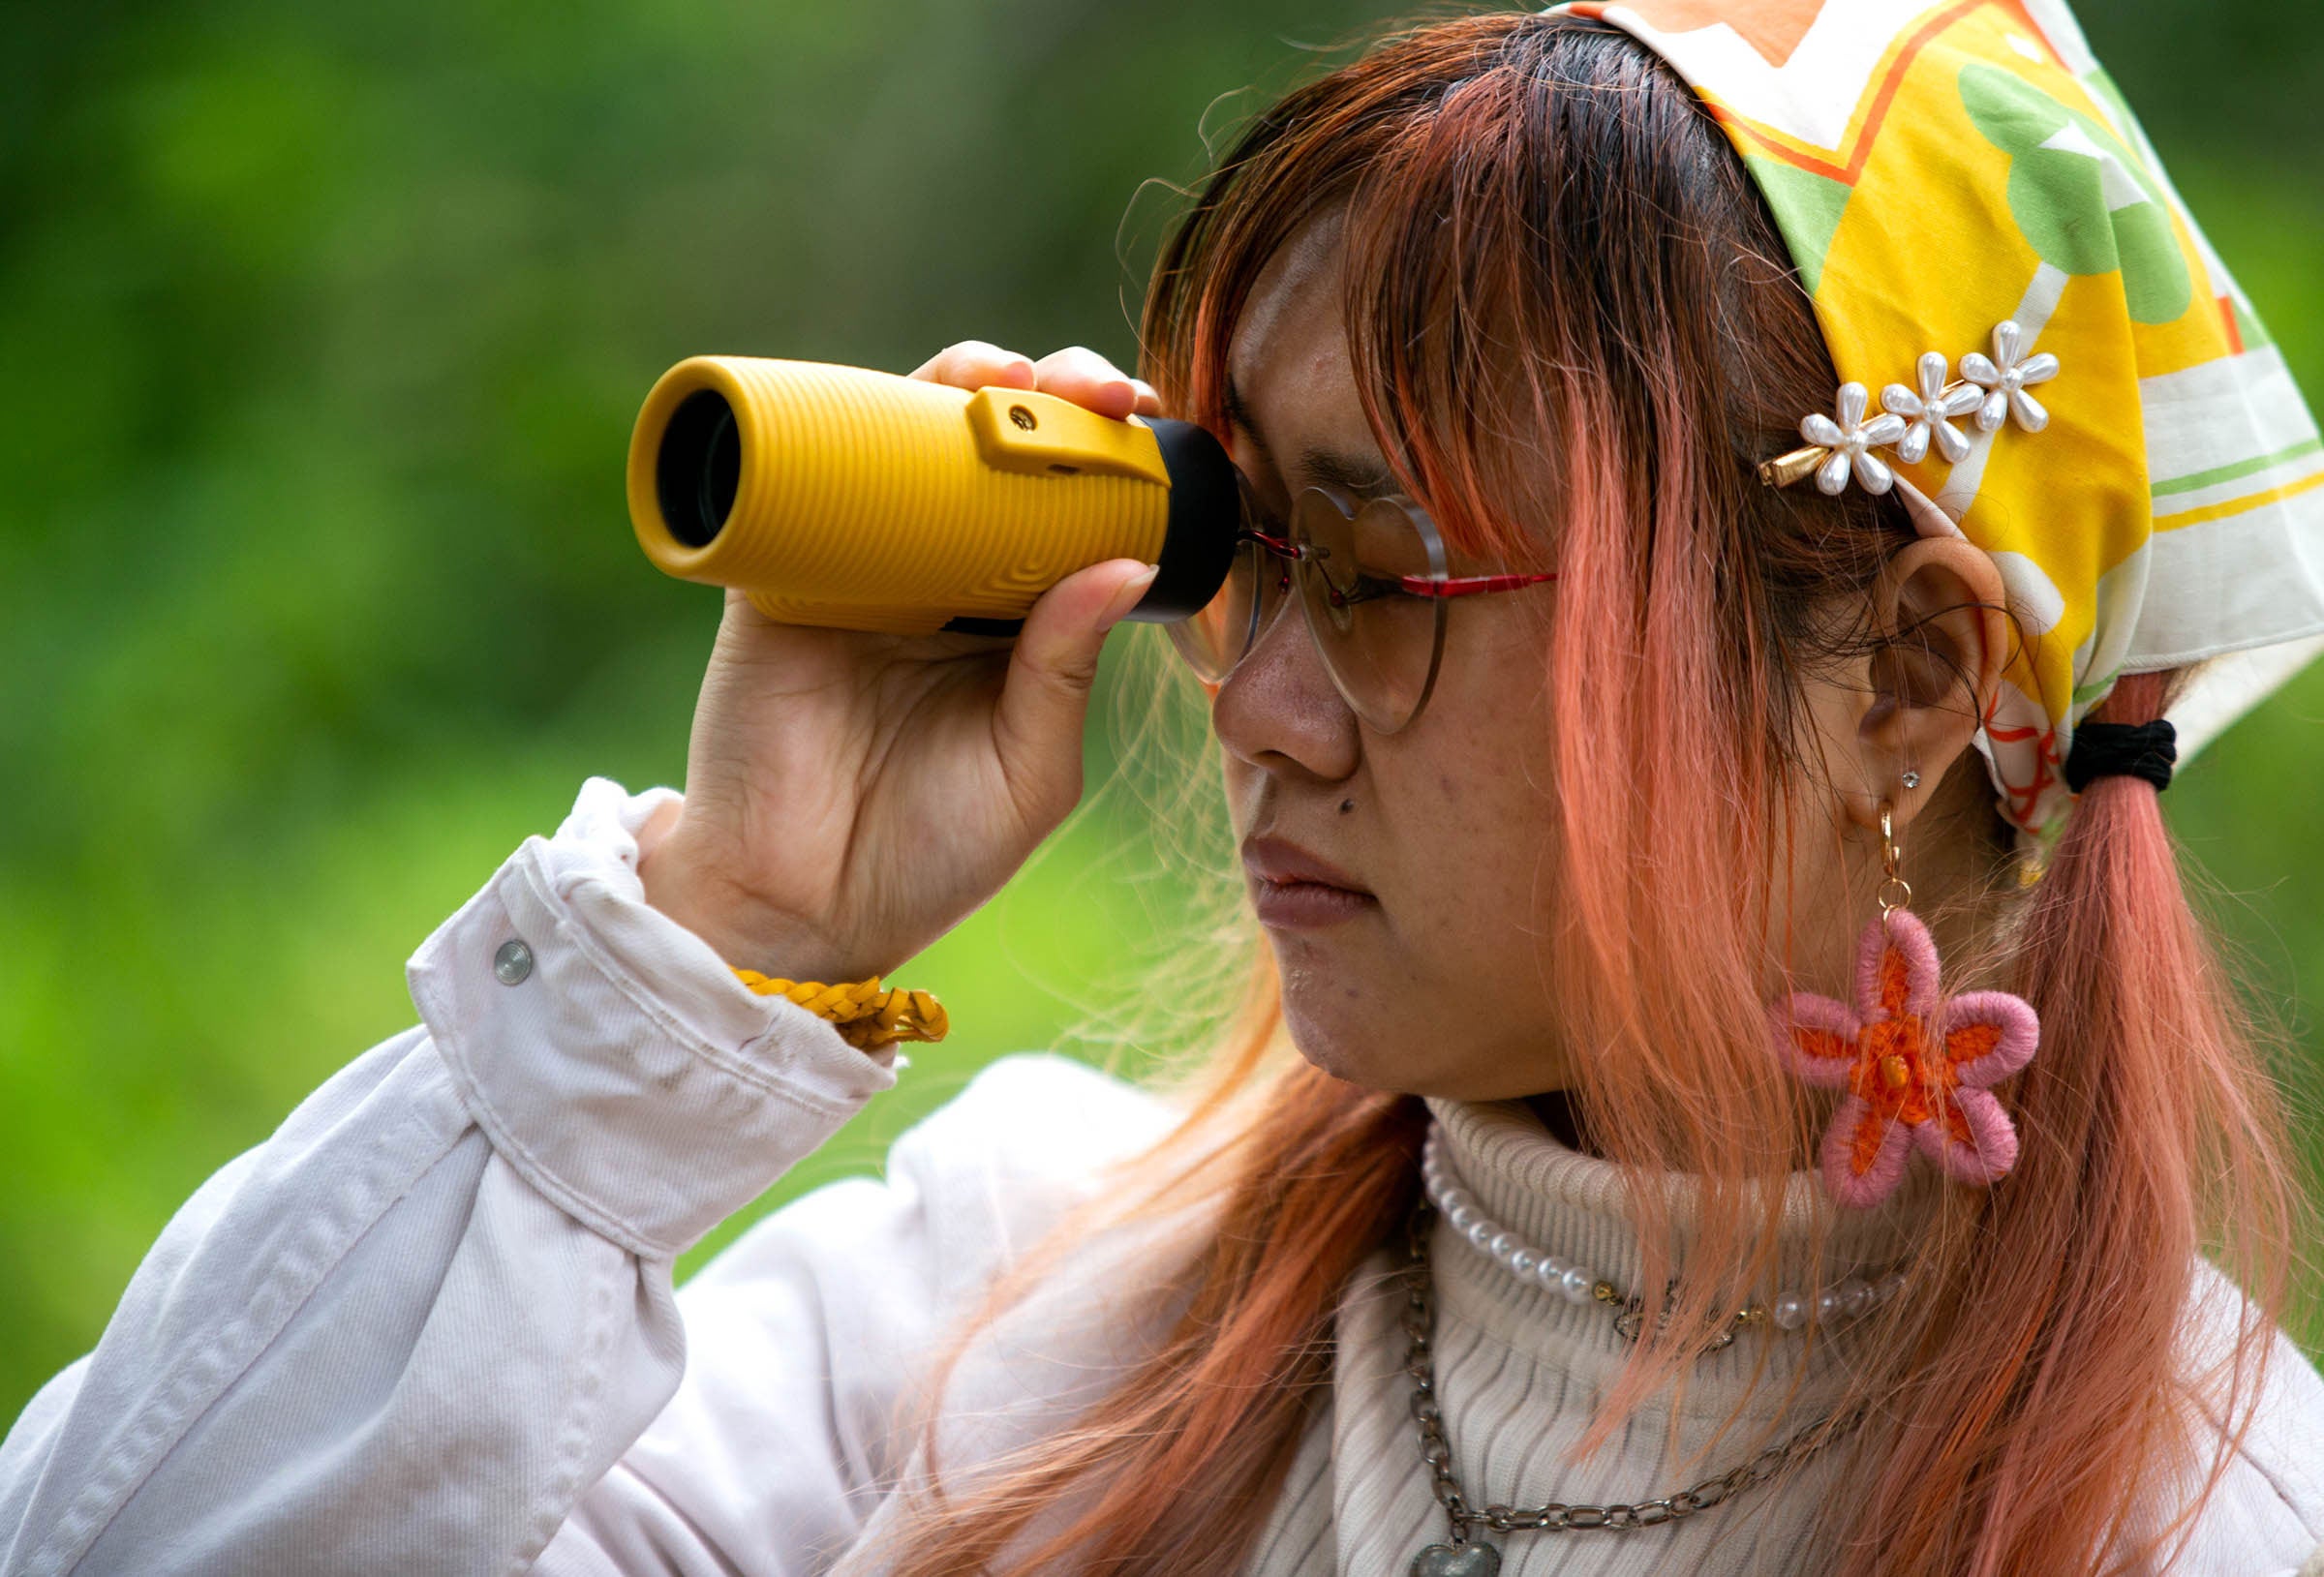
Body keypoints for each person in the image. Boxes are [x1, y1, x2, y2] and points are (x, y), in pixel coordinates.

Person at [6, 4, 2324, 1574]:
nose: (1259, 702)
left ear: (1907, 668)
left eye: (1391, 570)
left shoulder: (2197, 1511)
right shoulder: (1032, 1303)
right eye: (1242, 552)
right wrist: (713, 937)